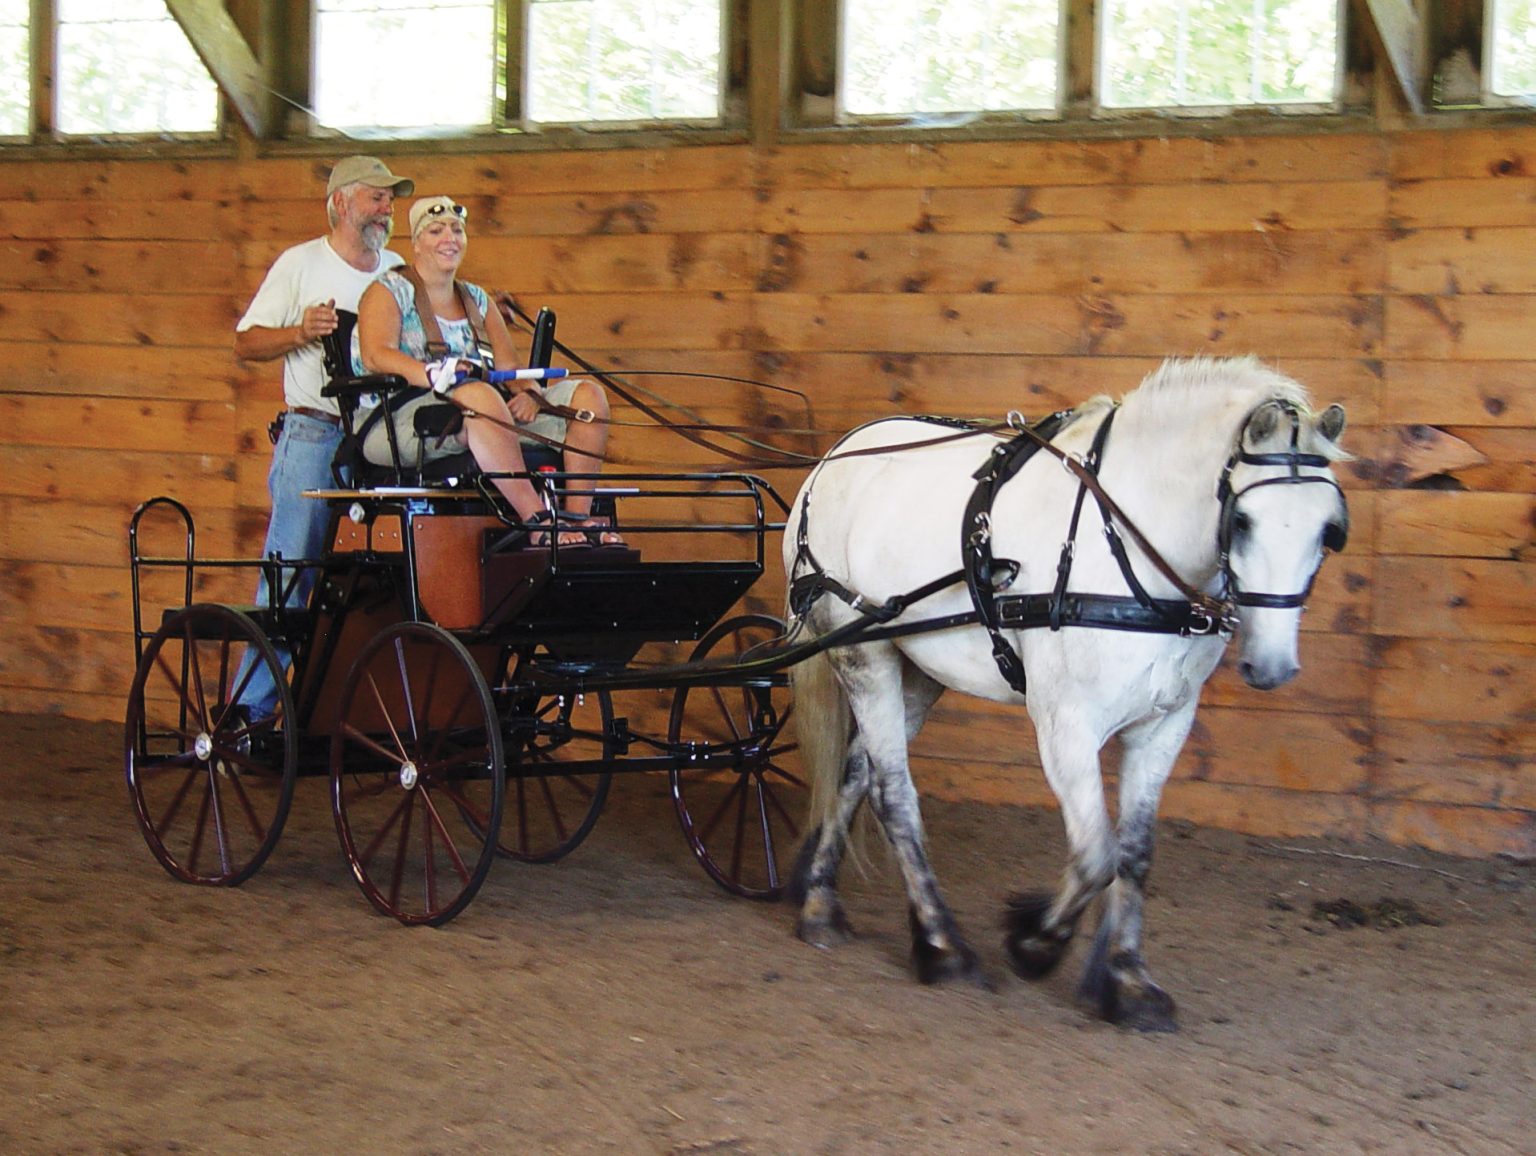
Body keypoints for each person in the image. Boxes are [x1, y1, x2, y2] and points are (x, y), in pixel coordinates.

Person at [232, 155, 415, 718]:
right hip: (316, 434)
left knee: (396, 574)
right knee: (292, 574)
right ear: (340, 203)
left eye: (390, 199)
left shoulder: (399, 270)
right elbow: (246, 341)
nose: (387, 208)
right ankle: (252, 712)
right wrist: (298, 331)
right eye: (376, 197)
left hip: (383, 437)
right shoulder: (301, 263)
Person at [354, 194, 619, 546]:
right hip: (396, 419)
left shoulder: (477, 300)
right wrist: (433, 374)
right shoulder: (387, 291)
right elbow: (376, 355)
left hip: (481, 412)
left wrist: (528, 394)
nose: (449, 238)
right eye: (435, 231)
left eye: (456, 230)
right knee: (478, 396)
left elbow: (509, 367)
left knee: (589, 395)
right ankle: (537, 522)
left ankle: (575, 519)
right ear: (416, 243)